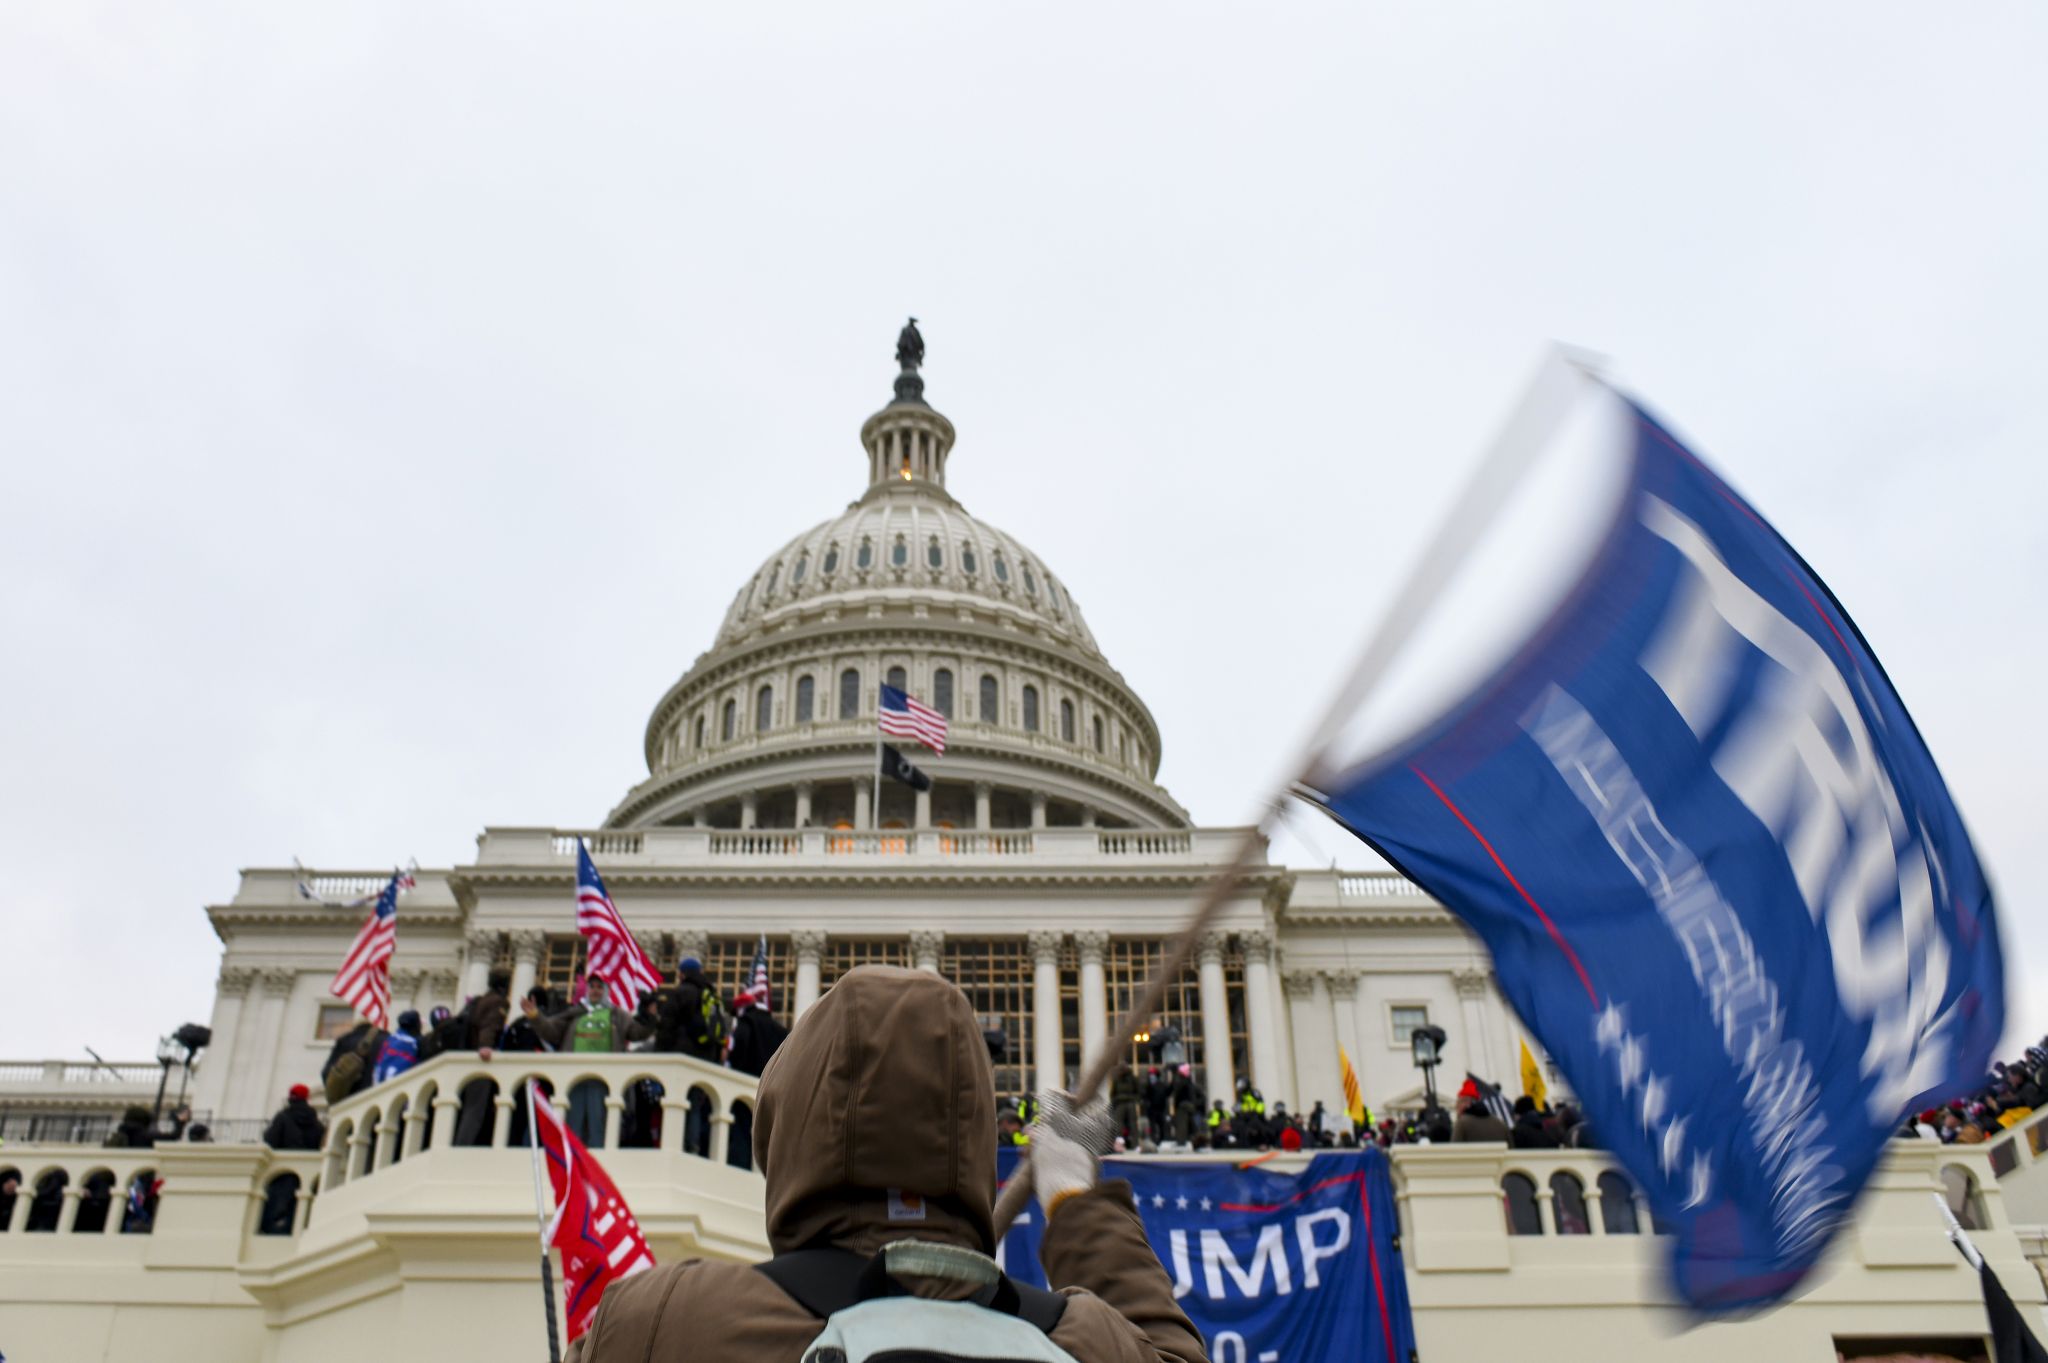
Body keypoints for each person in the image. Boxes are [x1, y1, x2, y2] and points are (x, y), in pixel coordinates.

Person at [563, 965, 1210, 1363]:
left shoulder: (661, 1324)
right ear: (972, 1127)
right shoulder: (1086, 1343)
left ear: (785, 1128)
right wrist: (1073, 1202)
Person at [534, 976, 654, 1147]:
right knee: (573, 1121)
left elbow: (638, 1032)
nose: (595, 991)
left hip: (602, 1079)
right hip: (574, 1077)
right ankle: (573, 1162)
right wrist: (535, 1016)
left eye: (599, 987)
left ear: (606, 991)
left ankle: (595, 1164)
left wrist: (648, 1016)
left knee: (598, 1123)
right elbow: (551, 1031)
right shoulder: (575, 1013)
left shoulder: (616, 1014)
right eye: (592, 987)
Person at [454, 969, 513, 1147]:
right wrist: (485, 1046)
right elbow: (491, 1025)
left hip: (467, 1055)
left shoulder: (479, 1001)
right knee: (476, 1110)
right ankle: (462, 1149)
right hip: (480, 1061)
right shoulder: (498, 1002)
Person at [261, 1084, 327, 1235]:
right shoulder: (316, 1124)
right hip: (306, 1173)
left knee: (276, 1207)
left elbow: (270, 1140)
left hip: (282, 1172)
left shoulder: (283, 1117)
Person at [374, 1010, 423, 1084]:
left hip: (378, 1086)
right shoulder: (413, 1044)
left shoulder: (389, 1040)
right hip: (397, 1087)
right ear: (416, 1025)